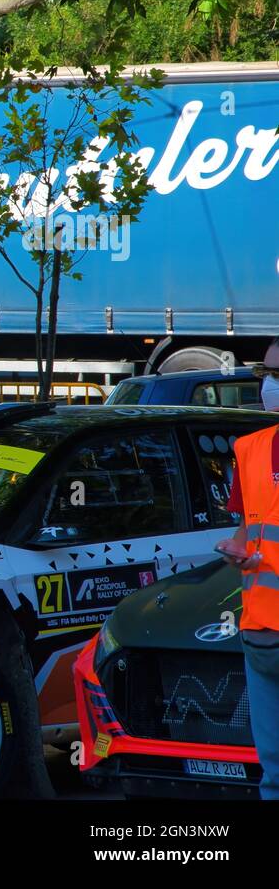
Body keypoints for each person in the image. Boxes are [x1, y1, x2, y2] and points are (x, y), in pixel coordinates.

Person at [216, 336, 279, 799]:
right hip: (260, 632)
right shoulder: (251, 449)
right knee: (272, 773)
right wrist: (236, 549)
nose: (270, 385)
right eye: (267, 375)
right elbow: (247, 527)